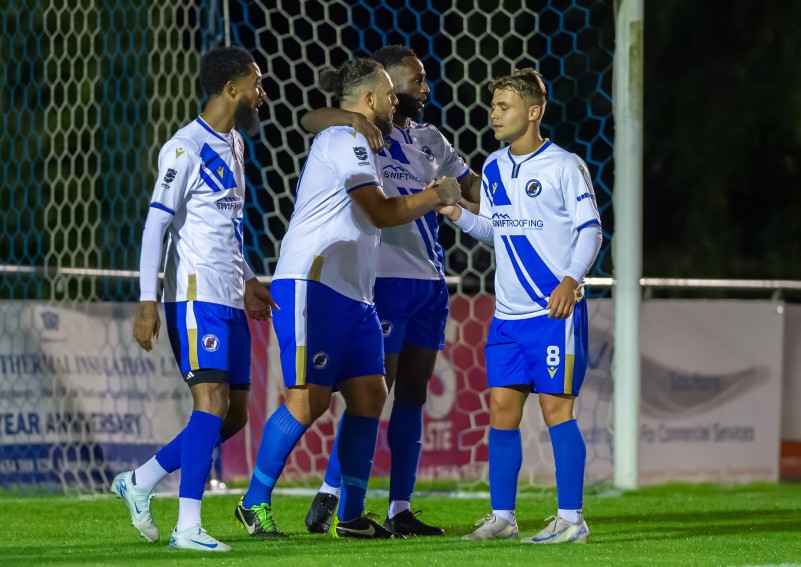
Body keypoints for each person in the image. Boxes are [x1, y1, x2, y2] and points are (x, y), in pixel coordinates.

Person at [233, 58, 462, 540]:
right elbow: (377, 211)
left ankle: (352, 517)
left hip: (357, 294)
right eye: (388, 92)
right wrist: (436, 194)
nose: (395, 100)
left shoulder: (374, 137)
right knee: (307, 400)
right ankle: (253, 502)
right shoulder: (343, 139)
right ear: (370, 99)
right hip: (312, 282)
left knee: (370, 395)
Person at [299, 44, 481, 537]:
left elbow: (473, 188)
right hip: (384, 279)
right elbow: (310, 117)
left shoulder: (430, 138)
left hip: (430, 281)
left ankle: (400, 508)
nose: (424, 87)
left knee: (413, 395)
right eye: (416, 79)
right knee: (373, 392)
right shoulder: (356, 132)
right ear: (387, 88)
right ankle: (334, 490)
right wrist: (355, 120)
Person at [110, 46, 277, 553]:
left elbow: (226, 228)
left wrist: (248, 277)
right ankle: (187, 526)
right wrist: (147, 300)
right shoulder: (183, 149)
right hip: (193, 296)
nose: (262, 94)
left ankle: (140, 480)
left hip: (228, 295)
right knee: (209, 405)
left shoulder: (235, 146)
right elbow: (156, 225)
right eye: (256, 83)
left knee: (235, 415)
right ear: (232, 90)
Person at [440, 68, 602, 543]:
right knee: (501, 411)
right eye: (493, 106)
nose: (494, 114)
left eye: (504, 106)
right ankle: (503, 518)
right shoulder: (492, 167)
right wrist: (459, 215)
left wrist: (572, 280)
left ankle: (571, 519)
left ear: (534, 112)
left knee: (557, 410)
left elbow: (589, 229)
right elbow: (494, 229)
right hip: (507, 316)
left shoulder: (564, 166)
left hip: (553, 312)